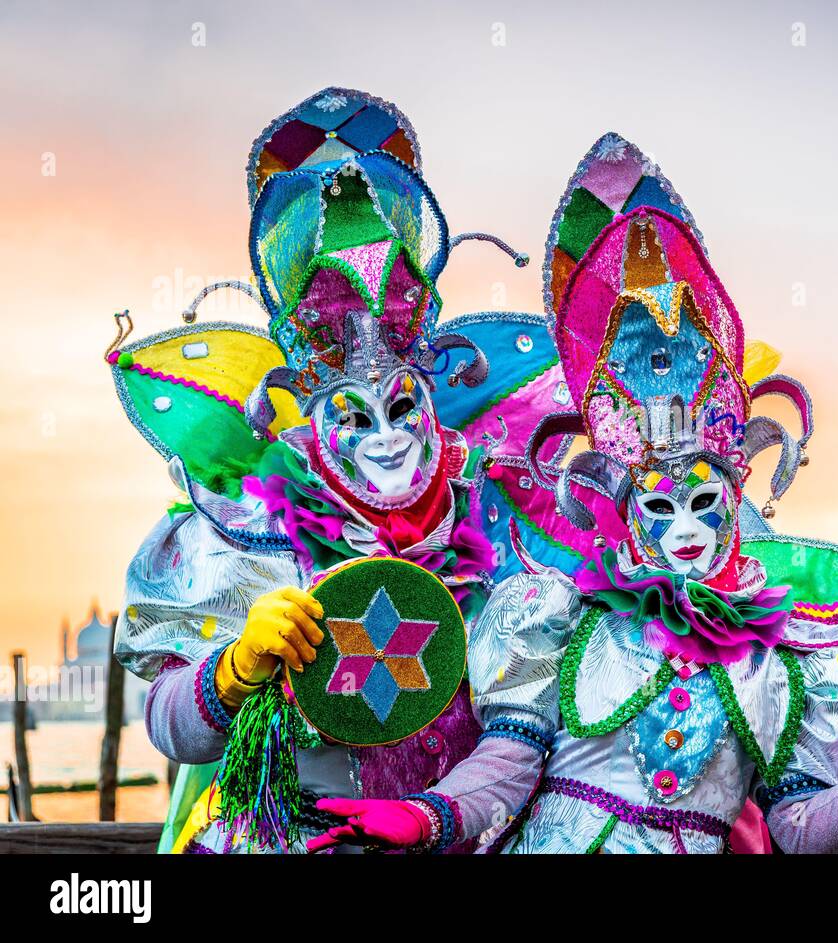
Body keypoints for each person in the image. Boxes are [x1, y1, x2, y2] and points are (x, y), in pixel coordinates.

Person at [307, 134, 838, 854]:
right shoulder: (560, 617)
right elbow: (509, 762)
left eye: (703, 501)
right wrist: (430, 813)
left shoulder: (791, 666)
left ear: (736, 488)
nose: (683, 525)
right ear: (620, 501)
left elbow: (800, 831)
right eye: (658, 503)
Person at [110, 88, 550, 853]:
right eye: (354, 415)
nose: (385, 438)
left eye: (402, 406)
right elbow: (170, 724)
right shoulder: (248, 518)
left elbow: (524, 729)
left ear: (430, 393)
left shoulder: (494, 511)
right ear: (308, 407)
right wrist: (233, 668)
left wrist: (430, 816)